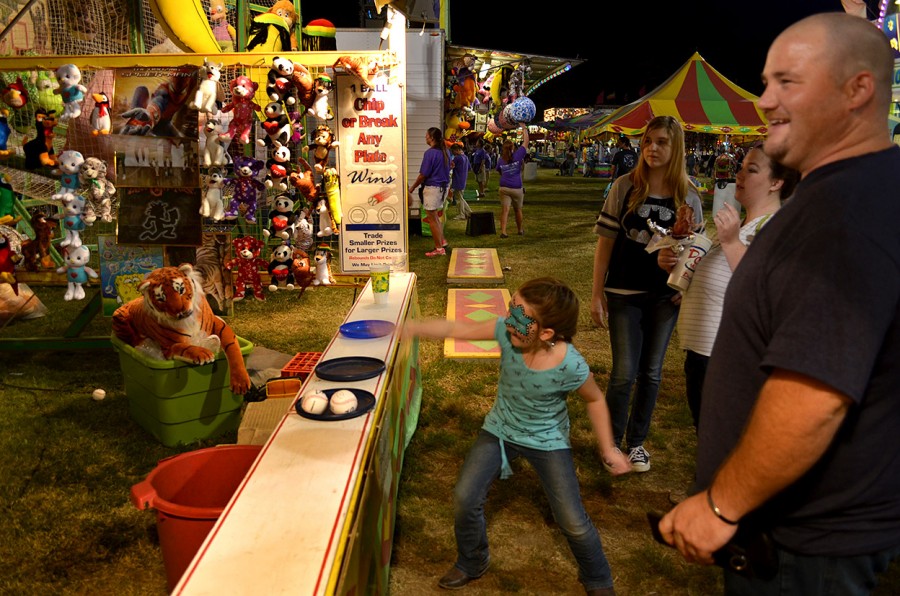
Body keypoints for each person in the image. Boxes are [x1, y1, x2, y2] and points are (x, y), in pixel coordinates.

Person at [659, 13, 900, 594]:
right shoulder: (860, 191)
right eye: (766, 82)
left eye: (786, 82)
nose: (765, 100)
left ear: (857, 89)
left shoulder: (843, 213)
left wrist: (721, 505)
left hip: (801, 545)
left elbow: (814, 395)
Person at [404, 277, 632, 595]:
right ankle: (472, 561)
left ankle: (598, 579)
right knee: (465, 498)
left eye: (519, 317)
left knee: (572, 520)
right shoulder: (508, 332)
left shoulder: (570, 364)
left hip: (548, 440)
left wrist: (608, 447)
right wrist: (414, 328)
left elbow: (594, 399)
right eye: (511, 310)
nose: (508, 322)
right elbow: (461, 329)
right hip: (500, 430)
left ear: (547, 333)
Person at [590, 115, 703, 472]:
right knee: (624, 372)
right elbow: (605, 243)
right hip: (623, 291)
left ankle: (636, 443)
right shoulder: (624, 187)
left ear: (677, 147)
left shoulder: (689, 196)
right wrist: (596, 293)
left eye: (661, 142)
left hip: (663, 297)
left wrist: (686, 284)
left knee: (651, 372)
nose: (652, 148)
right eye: (648, 141)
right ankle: (610, 444)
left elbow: (695, 251)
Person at [657, 145, 799, 430]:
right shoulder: (742, 226)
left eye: (752, 169)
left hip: (733, 361)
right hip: (703, 354)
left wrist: (733, 242)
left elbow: (764, 287)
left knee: (729, 449)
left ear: (776, 183)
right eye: (741, 166)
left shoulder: (777, 230)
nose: (739, 174)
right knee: (711, 444)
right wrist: (673, 263)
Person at [408, 127, 450, 257]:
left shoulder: (430, 153)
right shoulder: (445, 152)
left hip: (432, 188)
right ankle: (442, 241)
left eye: (426, 135)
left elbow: (423, 175)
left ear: (431, 137)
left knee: (431, 218)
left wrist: (412, 187)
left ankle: (438, 248)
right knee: (436, 217)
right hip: (443, 187)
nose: (425, 137)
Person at [495, 123, 529, 238]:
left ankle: (503, 232)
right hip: (516, 187)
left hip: (504, 187)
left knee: (505, 210)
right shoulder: (518, 155)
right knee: (518, 210)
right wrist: (524, 128)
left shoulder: (501, 160)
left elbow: (499, 171)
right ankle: (520, 230)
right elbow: (526, 142)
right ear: (513, 147)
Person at [450, 143, 474, 220]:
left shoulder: (457, 158)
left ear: (457, 150)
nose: (452, 153)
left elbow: (450, 166)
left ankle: (461, 214)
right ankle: (469, 213)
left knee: (458, 199)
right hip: (463, 179)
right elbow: (469, 168)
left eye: (453, 151)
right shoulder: (465, 157)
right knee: (461, 198)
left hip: (457, 179)